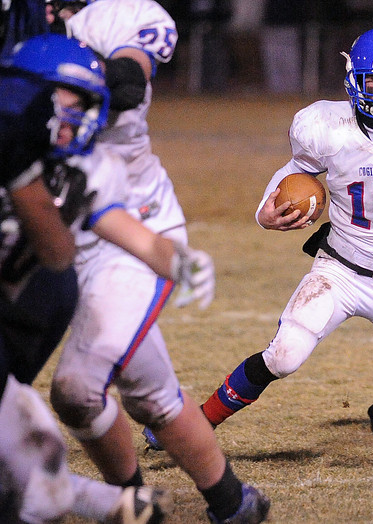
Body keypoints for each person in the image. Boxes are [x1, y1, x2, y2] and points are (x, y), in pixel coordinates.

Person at [173, 27, 373, 464]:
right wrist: (263, 212)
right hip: (340, 270)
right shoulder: (325, 126)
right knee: (285, 355)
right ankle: (198, 423)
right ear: (355, 79)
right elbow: (294, 172)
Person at [47, 1, 271, 521]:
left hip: (124, 220)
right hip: (43, 225)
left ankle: (131, 511)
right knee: (149, 395)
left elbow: (127, 78)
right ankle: (231, 503)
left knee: (79, 390)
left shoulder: (125, 13)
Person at [0, 32, 170, 524]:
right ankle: (124, 507)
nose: (77, 115)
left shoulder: (84, 169)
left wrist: (188, 267)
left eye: (87, 103)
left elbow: (66, 249)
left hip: (24, 319)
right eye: (67, 97)